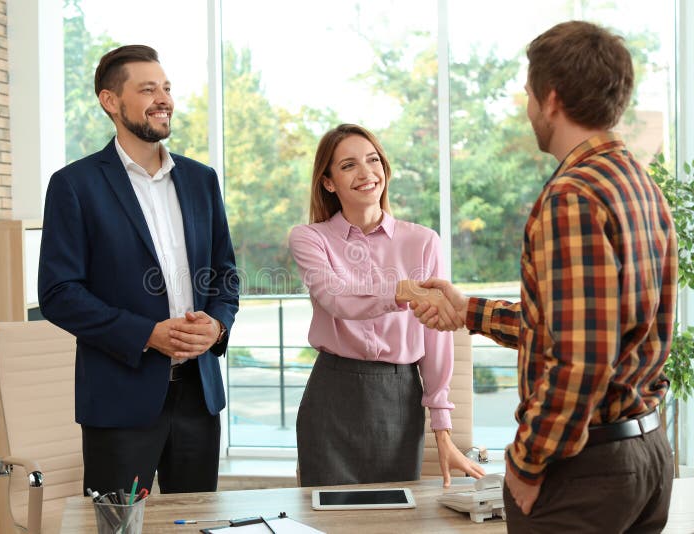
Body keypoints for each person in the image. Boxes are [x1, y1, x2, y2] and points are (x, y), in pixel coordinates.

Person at [412, 21, 678, 532]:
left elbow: (582, 356)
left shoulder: (573, 196)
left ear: (551, 99)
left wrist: (529, 462)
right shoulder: (639, 184)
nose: (528, 107)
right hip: (645, 451)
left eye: (530, 94)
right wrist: (469, 311)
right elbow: (583, 327)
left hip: (584, 467)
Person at [38, 44, 239, 496]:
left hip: (199, 397)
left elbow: (224, 274)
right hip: (119, 400)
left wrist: (217, 326)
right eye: (148, 89)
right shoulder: (74, 185)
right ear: (111, 101)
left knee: (195, 522)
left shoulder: (201, 179)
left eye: (166, 88)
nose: (163, 99)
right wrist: (146, 333)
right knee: (118, 524)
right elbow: (59, 293)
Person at [289, 123, 486, 488]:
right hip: (332, 394)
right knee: (327, 513)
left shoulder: (423, 242)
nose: (366, 172)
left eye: (373, 160)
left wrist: (443, 430)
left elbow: (436, 339)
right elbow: (335, 297)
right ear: (328, 182)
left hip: (399, 395)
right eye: (348, 165)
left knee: (396, 513)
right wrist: (402, 291)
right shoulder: (310, 238)